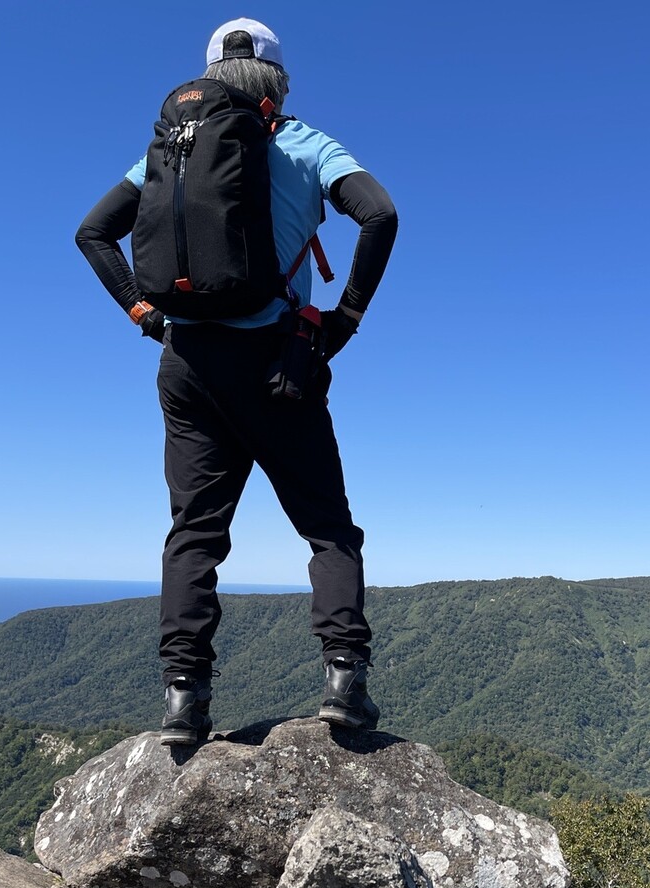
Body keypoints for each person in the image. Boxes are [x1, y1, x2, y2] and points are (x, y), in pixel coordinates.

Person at [75, 17, 398, 746]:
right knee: (327, 528)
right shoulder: (305, 142)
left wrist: (143, 311)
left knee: (195, 533)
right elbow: (379, 214)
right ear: (277, 81)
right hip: (278, 363)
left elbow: (92, 231)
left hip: (187, 366)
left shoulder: (170, 150)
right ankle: (345, 681)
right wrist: (342, 320)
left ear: (210, 78)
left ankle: (184, 698)